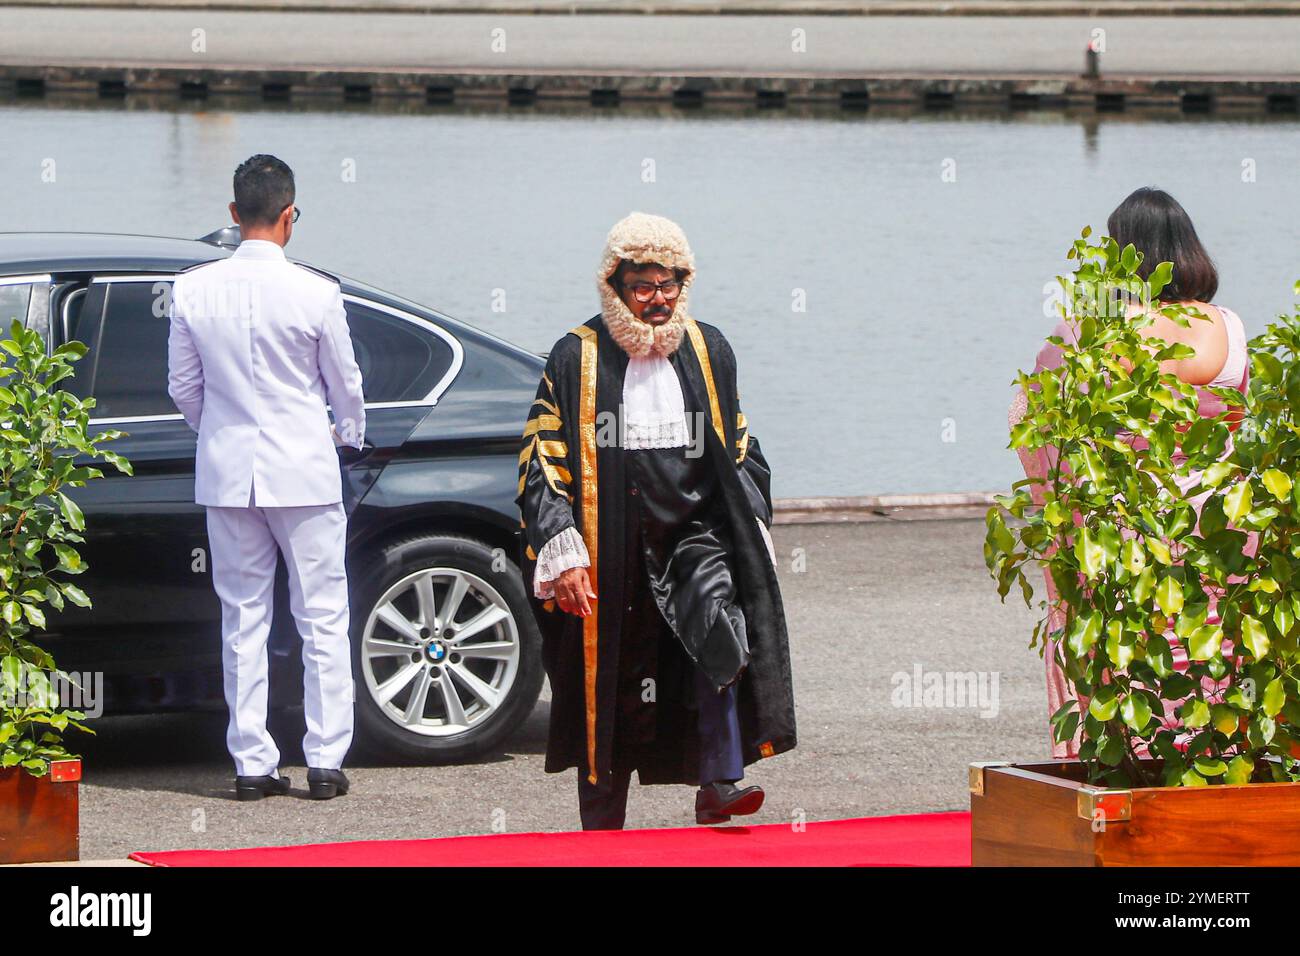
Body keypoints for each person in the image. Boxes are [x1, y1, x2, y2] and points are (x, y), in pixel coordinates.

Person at [517, 212, 797, 830]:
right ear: (616, 286)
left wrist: (751, 525)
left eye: (668, 284)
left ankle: (720, 781)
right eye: (644, 286)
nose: (658, 300)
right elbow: (543, 460)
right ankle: (603, 820)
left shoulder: (708, 347)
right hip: (611, 535)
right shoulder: (575, 356)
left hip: (693, 529)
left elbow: (739, 445)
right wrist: (563, 549)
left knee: (719, 631)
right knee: (610, 680)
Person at [1017, 187, 1249, 757]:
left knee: (1126, 646)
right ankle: (1210, 765)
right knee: (1207, 644)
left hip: (1125, 519)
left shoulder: (1090, 329)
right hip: (1218, 519)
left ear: (1120, 256)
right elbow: (1238, 424)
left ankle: (1126, 772)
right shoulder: (1229, 327)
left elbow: (1038, 418)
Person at [167, 154, 366, 800]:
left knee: (243, 618)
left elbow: (184, 389)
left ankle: (252, 762)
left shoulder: (192, 289)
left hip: (228, 474)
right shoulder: (318, 291)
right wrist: (349, 437)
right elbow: (346, 386)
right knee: (322, 616)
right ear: (289, 216)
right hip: (305, 469)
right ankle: (326, 759)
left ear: (232, 215)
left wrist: (220, 433)